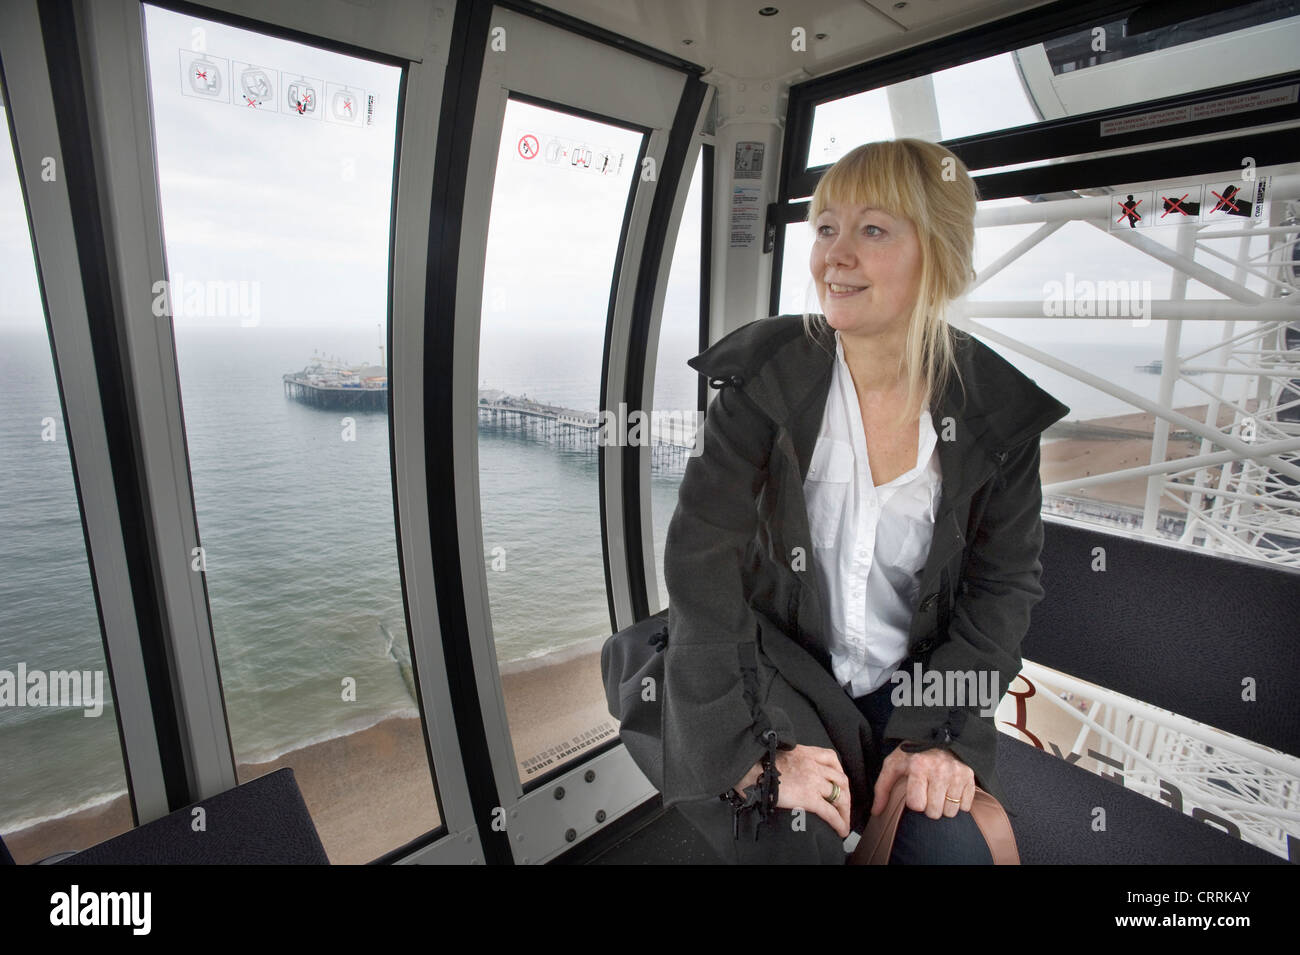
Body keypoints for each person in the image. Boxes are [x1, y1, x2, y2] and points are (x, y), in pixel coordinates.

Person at [660, 138, 1069, 864]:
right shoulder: (765, 380)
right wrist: (751, 749)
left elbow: (1001, 592)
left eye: (873, 229)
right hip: (777, 673)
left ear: (938, 255)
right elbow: (702, 558)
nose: (834, 256)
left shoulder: (995, 417)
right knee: (790, 842)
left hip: (915, 692)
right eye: (825, 228)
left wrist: (938, 736)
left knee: (953, 858)